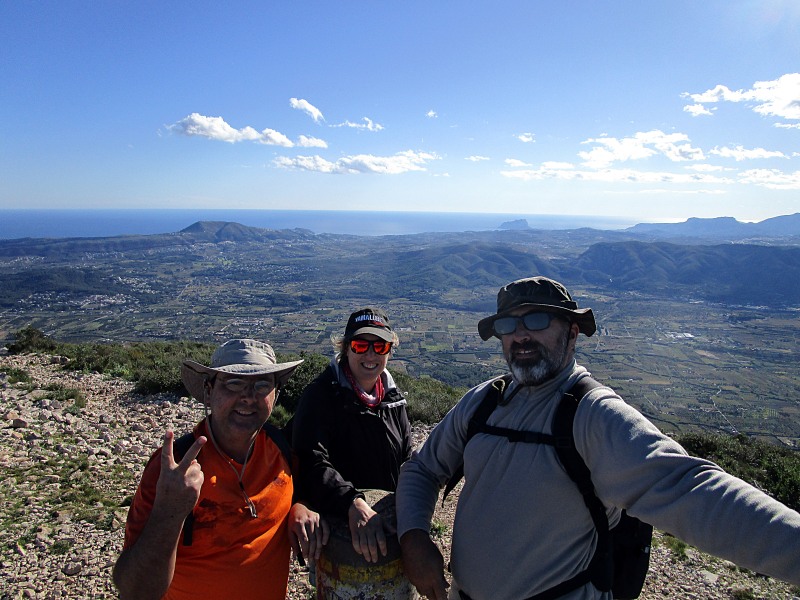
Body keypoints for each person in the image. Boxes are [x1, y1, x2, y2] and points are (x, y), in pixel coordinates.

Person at [396, 276, 800, 600]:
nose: (520, 335)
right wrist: (414, 536)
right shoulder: (484, 401)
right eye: (508, 325)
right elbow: (423, 468)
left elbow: (691, 489)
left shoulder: (592, 415)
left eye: (536, 320)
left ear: (572, 334)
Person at [113, 338, 329, 600]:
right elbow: (135, 592)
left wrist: (300, 506)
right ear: (208, 390)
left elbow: (296, 490)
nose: (248, 397)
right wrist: (169, 510)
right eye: (233, 383)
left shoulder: (280, 448)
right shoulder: (174, 469)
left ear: (276, 394)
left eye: (262, 385)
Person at [292, 307, 413, 563]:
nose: (370, 354)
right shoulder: (321, 396)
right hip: (339, 535)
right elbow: (310, 459)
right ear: (346, 348)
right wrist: (352, 503)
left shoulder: (393, 399)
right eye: (360, 345)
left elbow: (406, 458)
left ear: (390, 351)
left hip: (387, 529)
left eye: (380, 347)